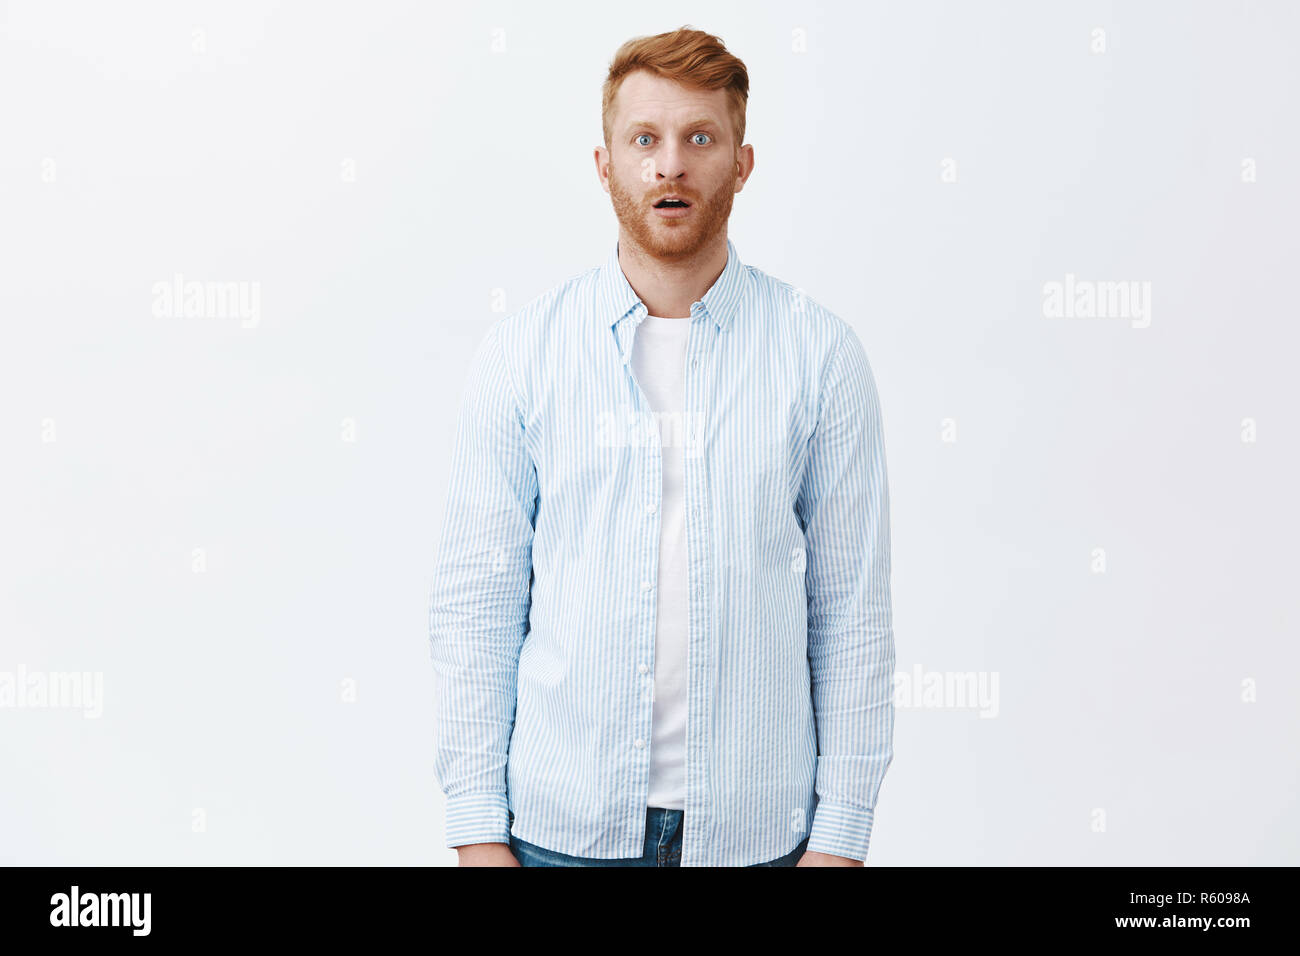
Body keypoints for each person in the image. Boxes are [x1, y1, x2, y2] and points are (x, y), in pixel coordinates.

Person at [428, 25, 895, 867]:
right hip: (557, 837)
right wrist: (476, 832)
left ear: (742, 164)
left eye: (699, 138)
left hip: (761, 839)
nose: (670, 164)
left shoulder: (819, 357)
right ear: (605, 164)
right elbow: (476, 605)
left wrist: (842, 837)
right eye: (644, 139)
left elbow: (852, 612)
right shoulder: (523, 355)